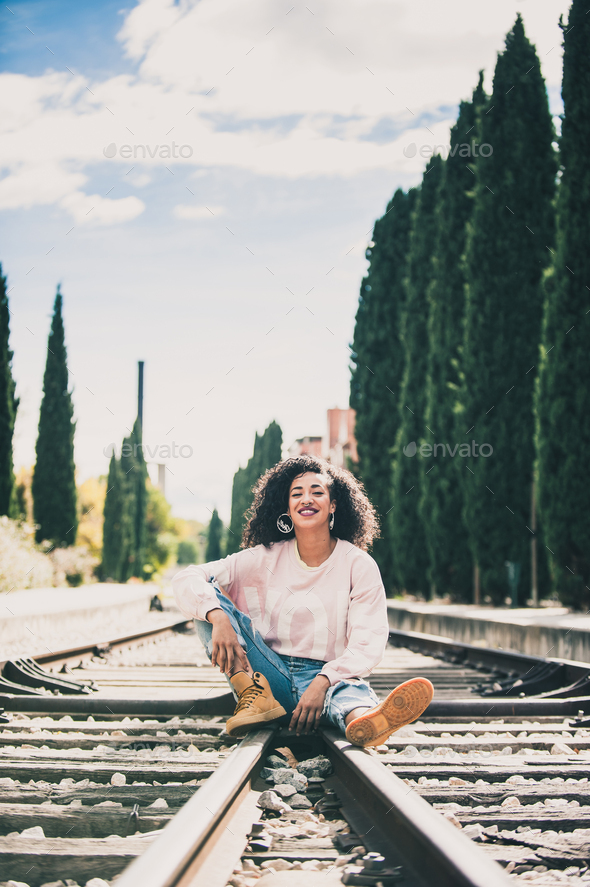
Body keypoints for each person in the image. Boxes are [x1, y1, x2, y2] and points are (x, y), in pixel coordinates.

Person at [172, 455, 433, 747]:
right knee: (205, 598)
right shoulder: (262, 557)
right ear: (287, 507)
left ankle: (367, 721)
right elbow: (188, 578)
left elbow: (367, 642)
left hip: (327, 680)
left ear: (333, 505)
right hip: (266, 682)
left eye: (317, 492)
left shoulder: (358, 565)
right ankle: (250, 696)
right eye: (297, 494)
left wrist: (322, 682)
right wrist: (217, 616)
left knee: (348, 691)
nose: (306, 499)